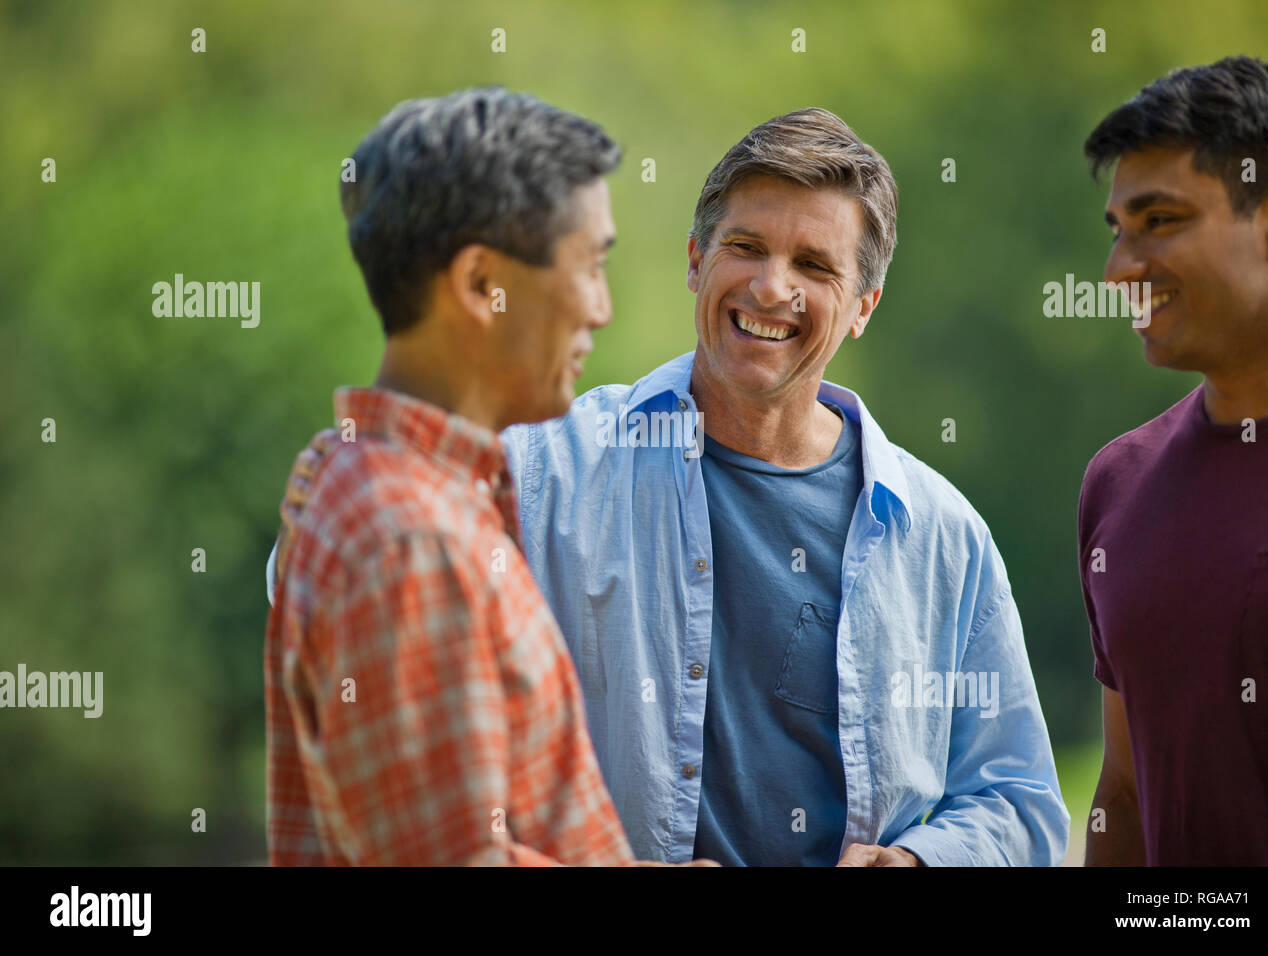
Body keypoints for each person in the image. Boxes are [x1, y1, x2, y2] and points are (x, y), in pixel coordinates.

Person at [272, 107, 1069, 866]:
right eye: (746, 247)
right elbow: (338, 578)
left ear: (864, 306)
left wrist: (920, 859)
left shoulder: (939, 534)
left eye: (814, 266)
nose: (770, 288)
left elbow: (1019, 798)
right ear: (696, 259)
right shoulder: (544, 463)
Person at [265, 88, 638, 865]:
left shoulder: (387, 488)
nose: (602, 310)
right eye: (592, 266)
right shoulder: (412, 541)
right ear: (479, 285)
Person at [1079, 55, 1268, 865]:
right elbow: (1126, 796)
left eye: (1160, 221)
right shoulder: (1117, 484)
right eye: (1118, 231)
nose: (1119, 270)